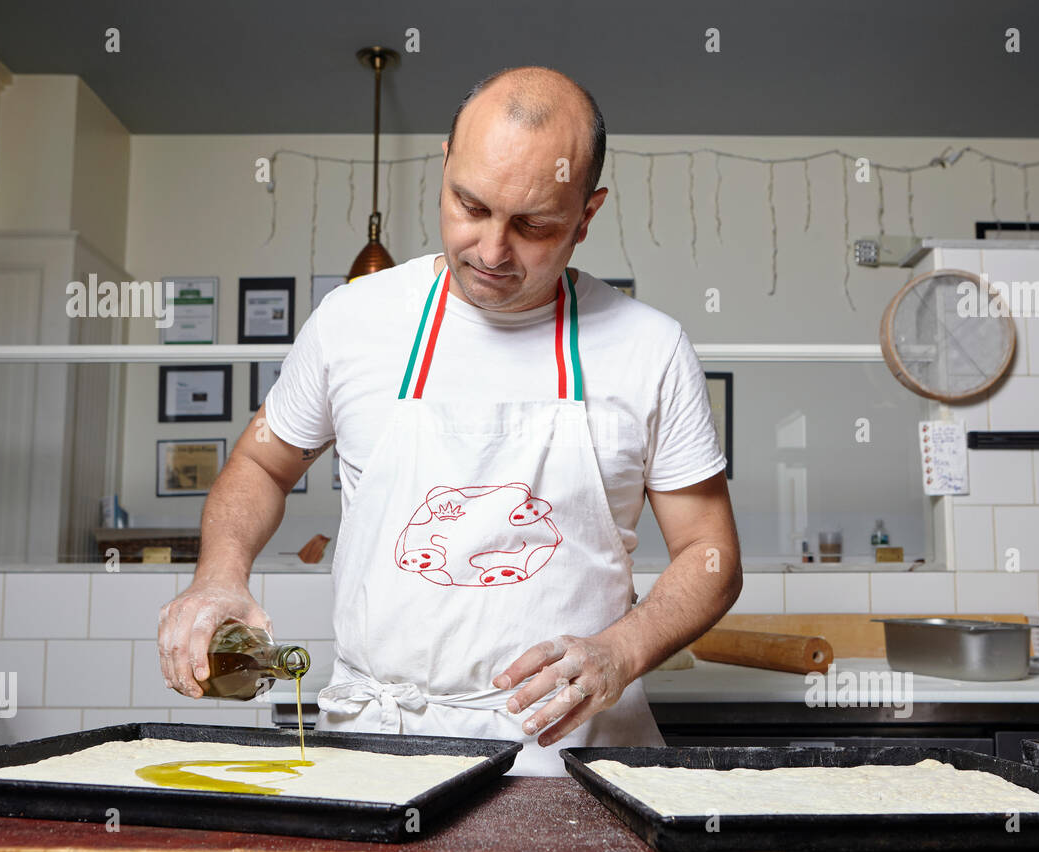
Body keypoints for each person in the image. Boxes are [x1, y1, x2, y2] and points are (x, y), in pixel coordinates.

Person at [158, 65, 743, 775]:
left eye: (533, 225)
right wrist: (219, 575)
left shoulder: (649, 349)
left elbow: (710, 553)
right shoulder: (353, 320)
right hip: (375, 746)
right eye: (471, 206)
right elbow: (260, 463)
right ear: (445, 166)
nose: (491, 252)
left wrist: (620, 651)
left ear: (587, 215)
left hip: (566, 755)